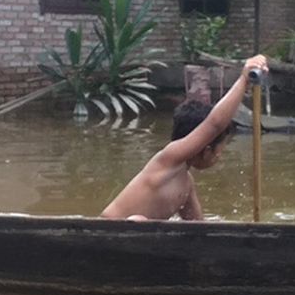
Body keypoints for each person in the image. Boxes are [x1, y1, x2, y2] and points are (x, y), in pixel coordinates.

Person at [101, 54, 268, 221]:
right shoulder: (169, 160)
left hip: (139, 241)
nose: (219, 156)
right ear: (207, 149)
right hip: (107, 232)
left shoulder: (186, 184)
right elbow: (214, 125)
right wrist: (243, 80)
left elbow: (197, 228)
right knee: (137, 221)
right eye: (220, 150)